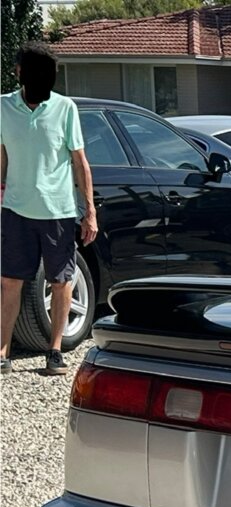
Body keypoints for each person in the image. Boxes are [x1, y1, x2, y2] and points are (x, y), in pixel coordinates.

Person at [0, 42, 97, 375]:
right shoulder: (3, 107)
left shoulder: (65, 108)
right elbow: (2, 156)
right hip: (16, 210)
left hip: (58, 211)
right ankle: (2, 352)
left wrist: (89, 211)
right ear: (19, 72)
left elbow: (79, 162)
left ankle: (55, 351)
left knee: (60, 281)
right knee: (9, 281)